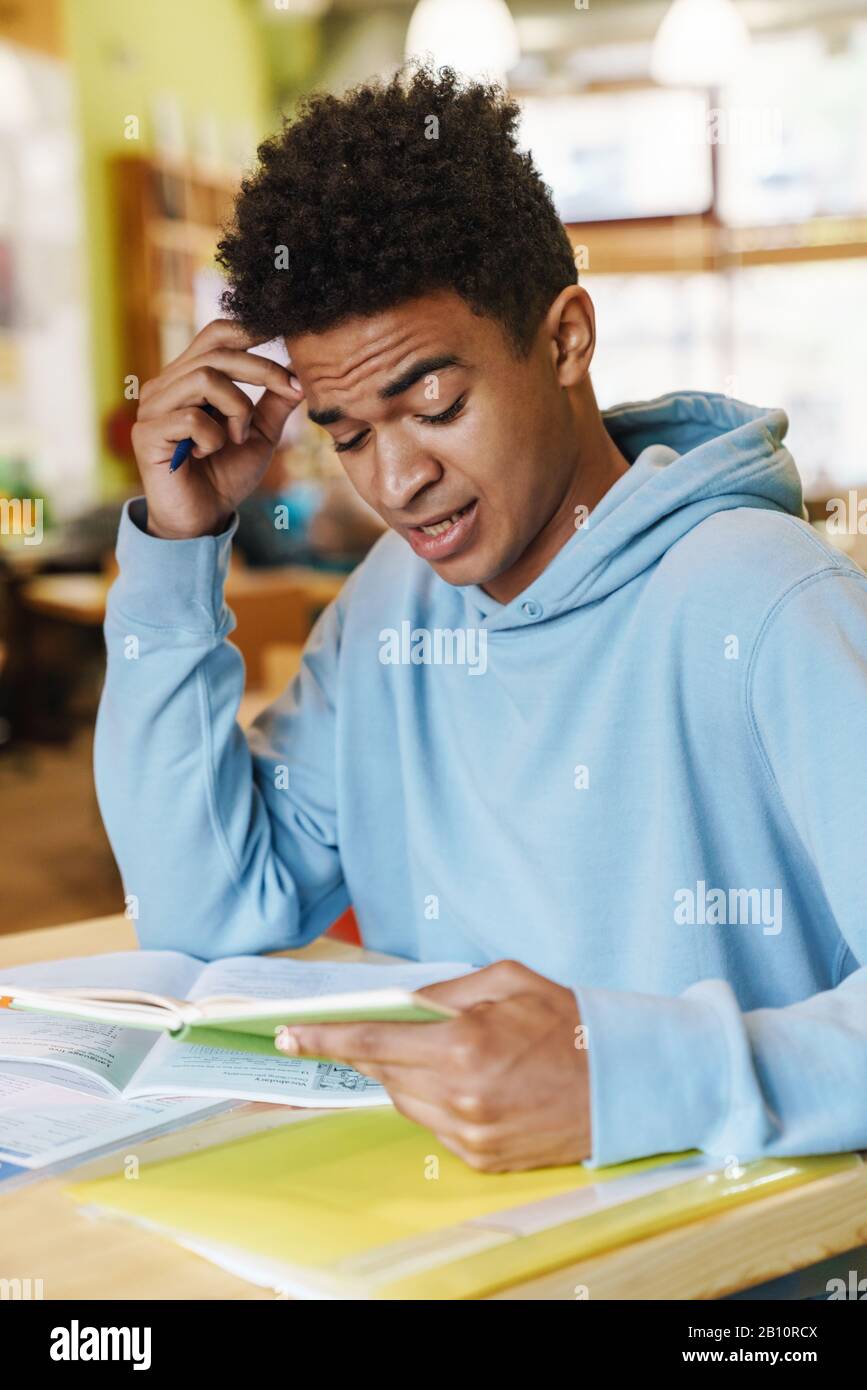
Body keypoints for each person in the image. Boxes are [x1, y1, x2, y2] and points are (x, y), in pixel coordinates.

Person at [96, 65, 867, 1173]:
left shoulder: (768, 600)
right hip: (459, 1244)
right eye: (347, 433)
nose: (398, 479)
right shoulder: (392, 613)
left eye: (434, 404)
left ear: (564, 340)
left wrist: (630, 1080)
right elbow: (206, 912)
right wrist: (178, 554)